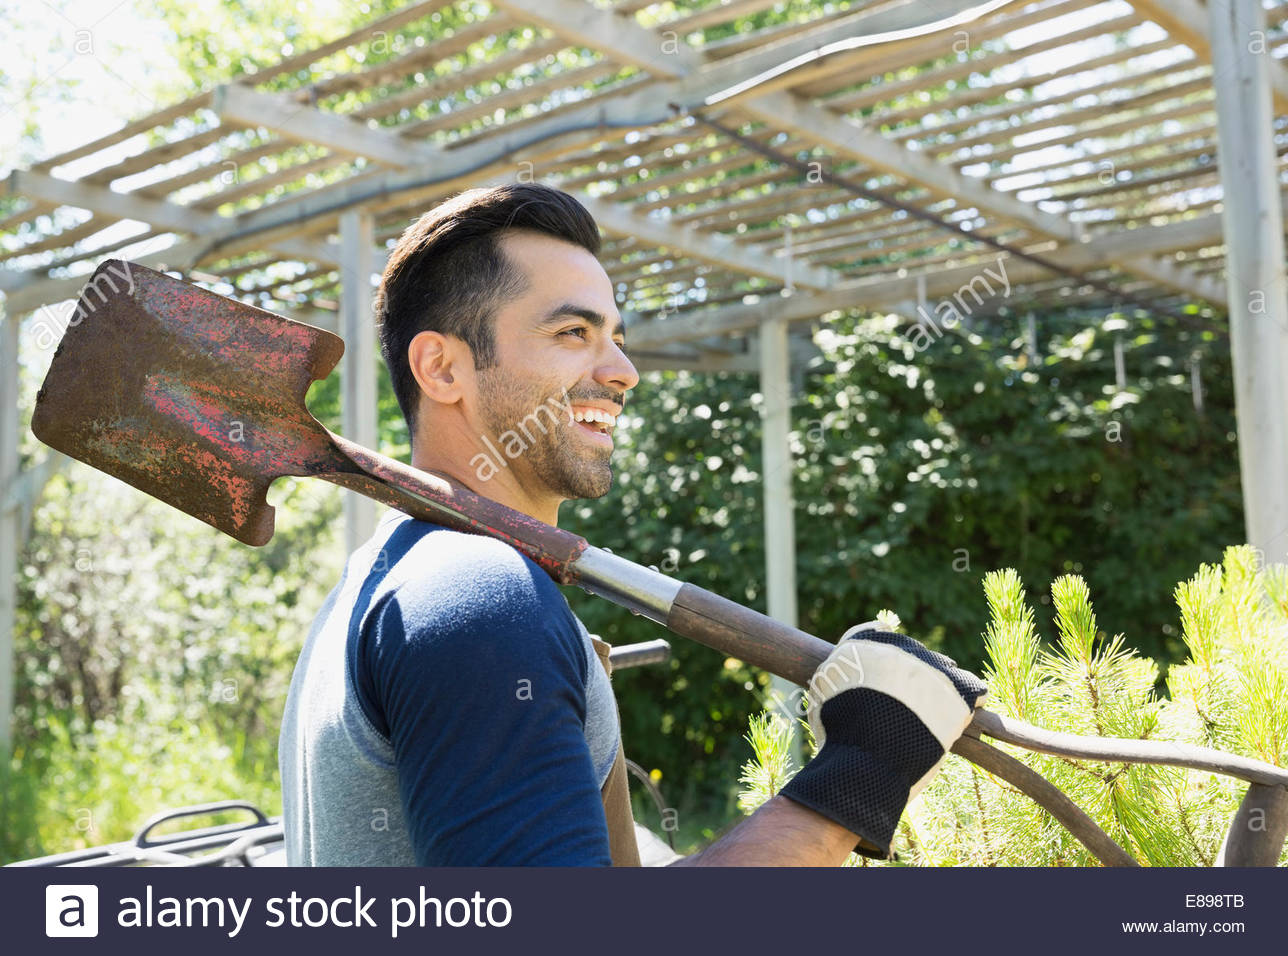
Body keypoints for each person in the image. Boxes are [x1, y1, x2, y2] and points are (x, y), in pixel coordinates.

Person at [278, 182, 987, 867]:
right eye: (574, 332)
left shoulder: (386, 576)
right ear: (442, 368)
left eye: (615, 337)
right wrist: (854, 780)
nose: (623, 371)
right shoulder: (477, 596)